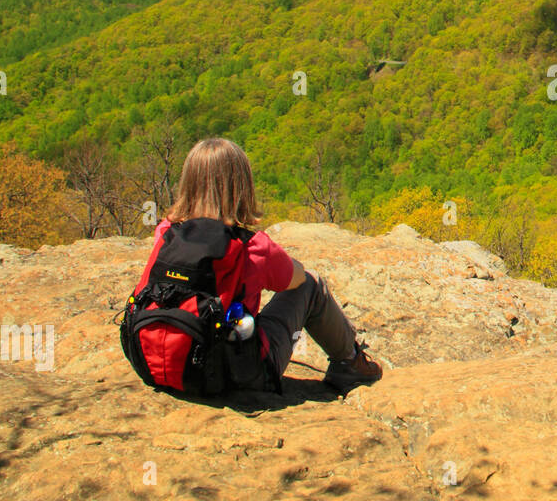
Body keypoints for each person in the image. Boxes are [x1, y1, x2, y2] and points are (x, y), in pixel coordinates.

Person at [142, 137, 382, 394]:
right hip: (236, 377)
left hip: (157, 365)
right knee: (313, 284)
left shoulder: (165, 233)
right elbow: (297, 279)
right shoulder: (251, 247)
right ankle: (349, 363)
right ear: (241, 187)